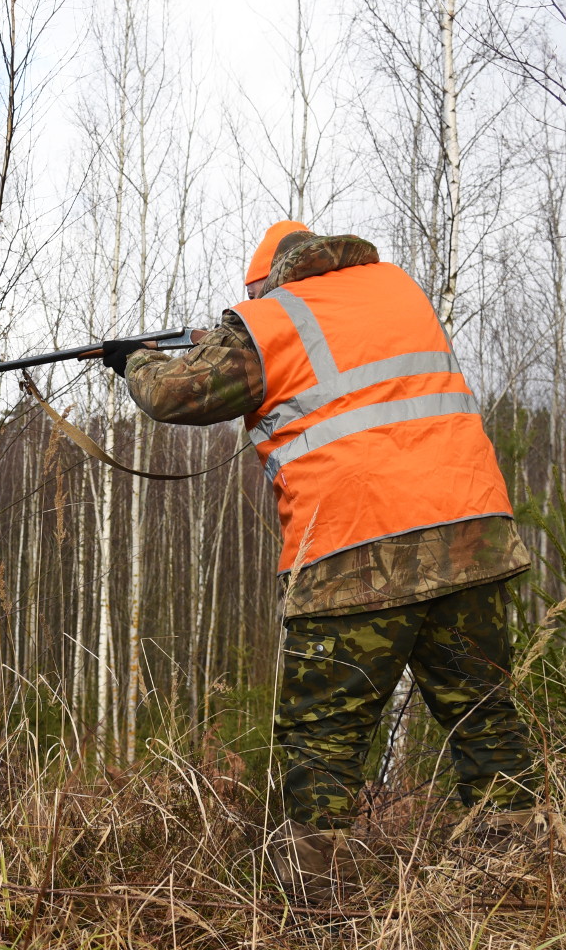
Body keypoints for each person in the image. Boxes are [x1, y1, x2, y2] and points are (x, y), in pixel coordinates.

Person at [104, 221, 538, 893]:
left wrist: (135, 360)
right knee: (485, 719)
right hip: (470, 538)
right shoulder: (399, 289)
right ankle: (520, 887)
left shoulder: (275, 317)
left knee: (321, 748)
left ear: (267, 279)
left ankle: (318, 911)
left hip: (355, 551)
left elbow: (172, 395)